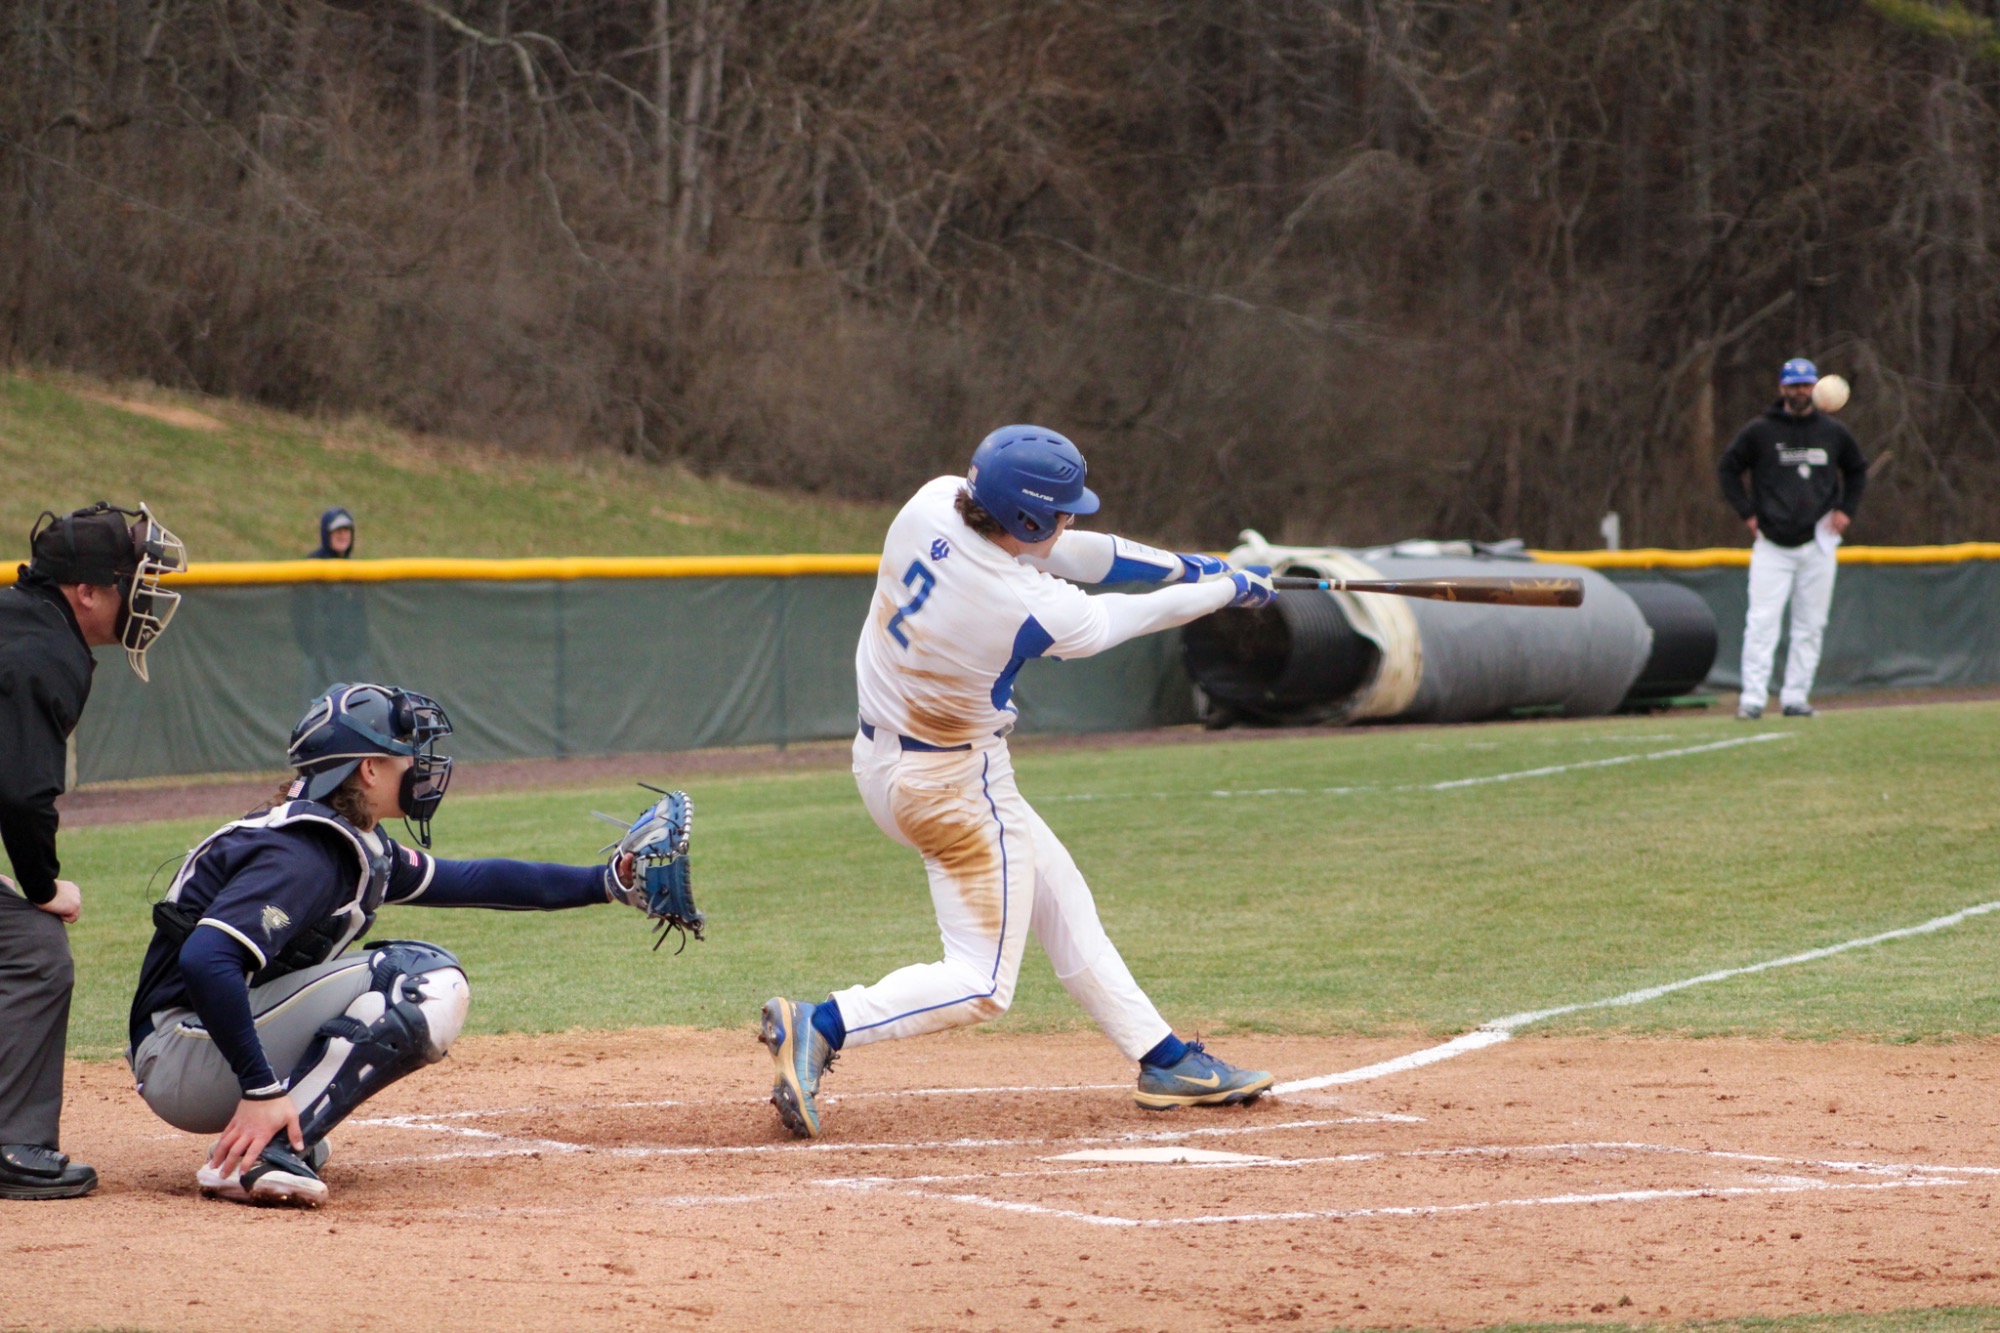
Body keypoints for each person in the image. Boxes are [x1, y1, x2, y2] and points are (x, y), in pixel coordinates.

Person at [759, 425, 1279, 1140]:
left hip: (884, 760)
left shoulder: (935, 500)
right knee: (981, 982)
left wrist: (1192, 567)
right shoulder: (1024, 602)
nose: (1070, 519)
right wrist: (1222, 591)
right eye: (1061, 509)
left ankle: (1166, 1061)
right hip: (951, 785)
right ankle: (821, 1024)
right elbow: (1111, 615)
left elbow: (1077, 551)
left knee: (1062, 899)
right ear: (1028, 518)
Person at [126, 682, 659, 1208]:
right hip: (181, 1052)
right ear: (369, 768)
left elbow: (474, 880)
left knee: (402, 973)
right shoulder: (304, 854)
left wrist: (608, 881)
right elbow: (206, 957)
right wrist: (261, 1090)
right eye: (407, 754)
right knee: (418, 979)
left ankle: (278, 1140)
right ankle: (262, 1157)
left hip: (200, 1044)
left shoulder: (349, 840)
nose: (422, 767)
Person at [0, 502, 186, 1200]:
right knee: (33, 947)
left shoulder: (21, 619)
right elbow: (20, 795)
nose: (146, 592)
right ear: (86, 591)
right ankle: (12, 1145)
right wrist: (44, 886)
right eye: (132, 578)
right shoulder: (47, 651)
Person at [1717, 357, 1868, 719]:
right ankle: (1753, 699)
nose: (1801, 391)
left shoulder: (1832, 432)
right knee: (1762, 622)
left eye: (1806, 385)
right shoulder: (1760, 431)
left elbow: (1857, 470)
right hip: (1772, 543)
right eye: (1794, 385)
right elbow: (1728, 468)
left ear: (1815, 387)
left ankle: (1795, 697)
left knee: (1811, 625)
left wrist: (1846, 509)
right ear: (1782, 388)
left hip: (1818, 541)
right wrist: (1746, 512)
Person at [293, 507, 369, 699]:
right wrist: (312, 648)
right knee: (314, 708)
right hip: (319, 657)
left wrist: (358, 646)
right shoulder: (312, 566)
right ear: (327, 535)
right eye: (337, 530)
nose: (343, 535)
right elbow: (299, 613)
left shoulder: (355, 570)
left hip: (351, 657)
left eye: (347, 530)